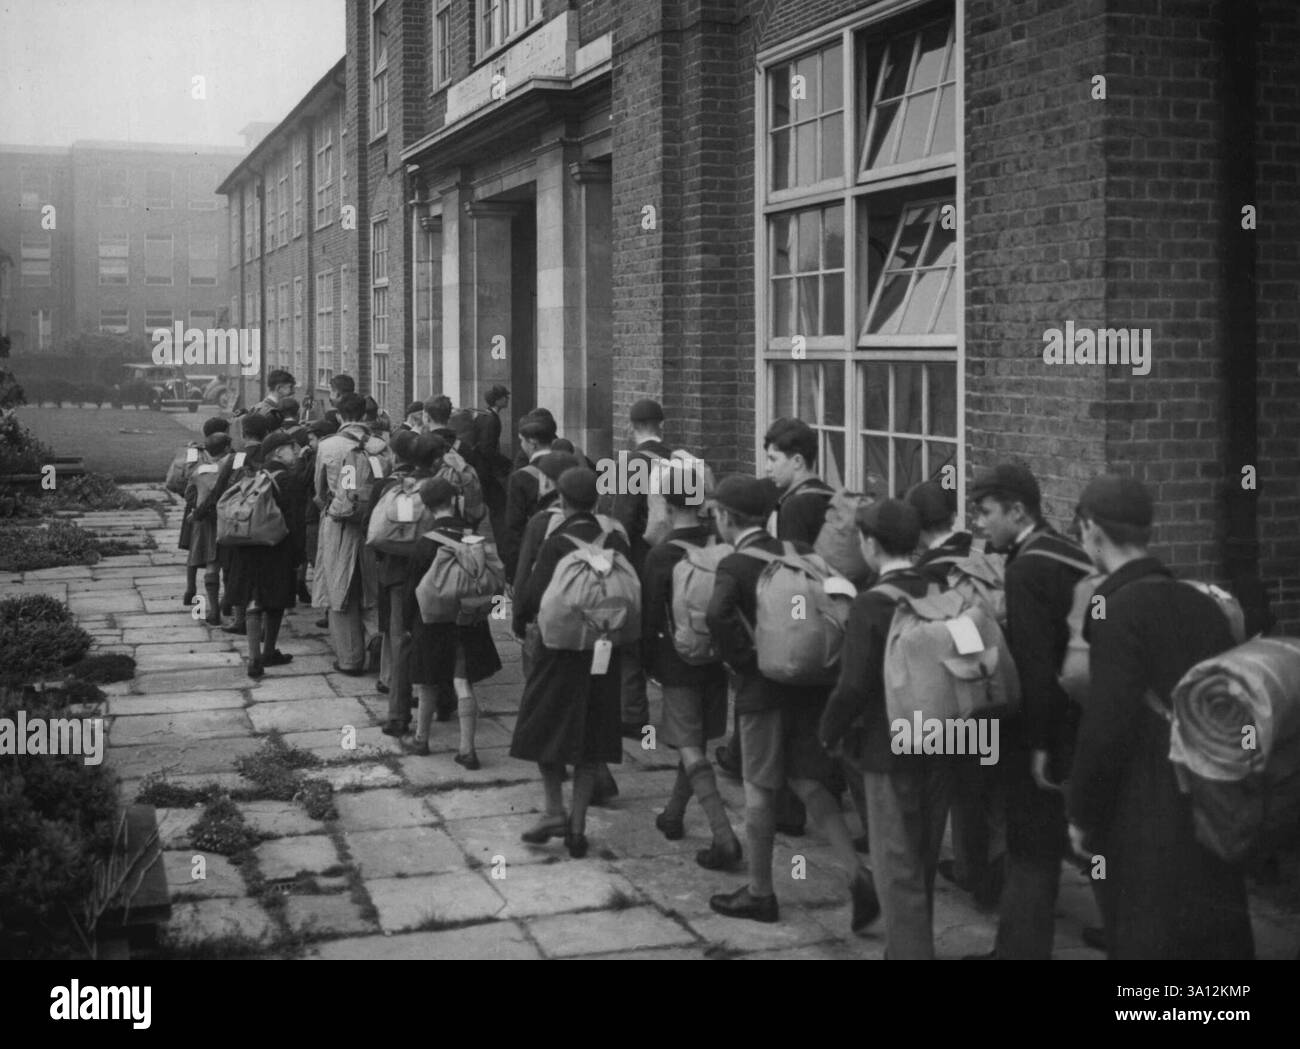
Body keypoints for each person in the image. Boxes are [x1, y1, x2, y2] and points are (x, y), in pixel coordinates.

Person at [1067, 476, 1253, 959]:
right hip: (1208, 793)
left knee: (1147, 940)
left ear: (1092, 530)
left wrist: (1082, 814)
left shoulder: (1114, 609)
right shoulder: (1202, 603)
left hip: (1143, 808)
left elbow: (1106, 726)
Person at [704, 475, 878, 929]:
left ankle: (761, 893)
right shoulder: (800, 553)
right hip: (812, 688)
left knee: (759, 790)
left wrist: (747, 662)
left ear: (726, 518)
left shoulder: (735, 564)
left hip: (762, 693)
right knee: (808, 782)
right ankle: (858, 874)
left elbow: (716, 615)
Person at [967, 462, 1093, 959]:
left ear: (1018, 511)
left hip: (1047, 730)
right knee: (1073, 840)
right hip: (1084, 718)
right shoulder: (1068, 552)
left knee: (1031, 846)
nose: (979, 524)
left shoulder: (1026, 569)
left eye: (986, 512)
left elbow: (1036, 669)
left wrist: (1038, 746)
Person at [821, 499, 947, 958]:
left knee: (897, 866)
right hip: (942, 739)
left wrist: (828, 732)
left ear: (871, 544)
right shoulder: (938, 585)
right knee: (924, 859)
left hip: (886, 746)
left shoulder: (872, 603)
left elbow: (852, 686)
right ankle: (907, 944)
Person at [510, 467, 630, 858]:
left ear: (561, 502)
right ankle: (578, 828)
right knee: (591, 735)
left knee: (544, 724)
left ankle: (554, 810)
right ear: (597, 502)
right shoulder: (616, 538)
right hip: (603, 648)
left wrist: (519, 620)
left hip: (558, 649)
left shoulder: (556, 542)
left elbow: (530, 597)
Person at [641, 457, 742, 869]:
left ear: (665, 502)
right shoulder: (719, 547)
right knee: (695, 742)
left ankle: (724, 835)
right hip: (716, 659)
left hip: (677, 658)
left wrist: (648, 664)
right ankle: (673, 813)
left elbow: (649, 617)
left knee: (688, 746)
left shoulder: (661, 555)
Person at [908, 480, 1003, 910]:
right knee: (988, 784)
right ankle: (990, 871)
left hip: (957, 693)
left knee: (950, 789)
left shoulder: (930, 572)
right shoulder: (982, 552)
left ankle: (966, 873)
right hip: (998, 680)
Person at [405, 477, 503, 766]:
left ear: (426, 506)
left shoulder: (424, 544)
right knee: (463, 683)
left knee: (427, 683)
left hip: (431, 622)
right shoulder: (473, 538)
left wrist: (408, 626)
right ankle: (467, 749)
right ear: (454, 501)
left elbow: (413, 589)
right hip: (467, 619)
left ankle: (421, 740)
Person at [313, 392, 389, 675]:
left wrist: (332, 506)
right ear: (367, 415)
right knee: (371, 588)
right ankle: (376, 638)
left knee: (340, 590)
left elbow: (319, 491)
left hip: (339, 524)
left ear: (340, 415)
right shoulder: (381, 446)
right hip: (375, 525)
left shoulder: (328, 445)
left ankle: (350, 659)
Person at [222, 430, 308, 678]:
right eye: (292, 448)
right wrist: (299, 554)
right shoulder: (289, 480)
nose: (297, 453)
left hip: (249, 545)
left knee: (253, 598)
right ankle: (269, 650)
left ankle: (253, 657)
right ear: (279, 451)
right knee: (276, 600)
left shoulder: (256, 475)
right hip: (277, 547)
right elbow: (295, 521)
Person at [373, 430, 422, 732]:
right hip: (431, 571)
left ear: (395, 456)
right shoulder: (436, 487)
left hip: (396, 571)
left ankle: (396, 709)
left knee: (398, 635)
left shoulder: (388, 487)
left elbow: (374, 530)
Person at [221, 412, 274, 635]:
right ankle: (261, 620)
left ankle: (240, 618)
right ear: (267, 432)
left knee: (235, 571)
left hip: (239, 519)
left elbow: (222, 486)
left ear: (243, 432)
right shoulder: (270, 454)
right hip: (266, 520)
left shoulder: (238, 456)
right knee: (263, 572)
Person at [178, 416, 230, 605]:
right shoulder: (228, 455)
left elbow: (186, 474)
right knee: (203, 549)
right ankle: (193, 590)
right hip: (202, 505)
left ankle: (190, 589)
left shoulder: (194, 451)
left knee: (194, 548)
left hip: (193, 502)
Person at [187, 430, 234, 626]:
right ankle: (227, 602)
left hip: (205, 520)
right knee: (230, 565)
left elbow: (186, 482)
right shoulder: (232, 467)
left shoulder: (199, 471)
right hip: (228, 519)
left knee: (210, 562)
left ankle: (213, 610)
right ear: (225, 448)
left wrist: (192, 452)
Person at [501, 416, 557, 580]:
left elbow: (514, 528)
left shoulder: (521, 477)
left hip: (535, 553)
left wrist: (512, 573)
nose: (521, 446)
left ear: (533, 443)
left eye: (522, 441)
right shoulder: (570, 465)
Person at [302, 418, 339, 616]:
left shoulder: (318, 456)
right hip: (328, 513)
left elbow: (309, 483)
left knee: (319, 560)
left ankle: (328, 609)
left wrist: (303, 460)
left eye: (312, 440)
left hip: (318, 515)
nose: (309, 444)